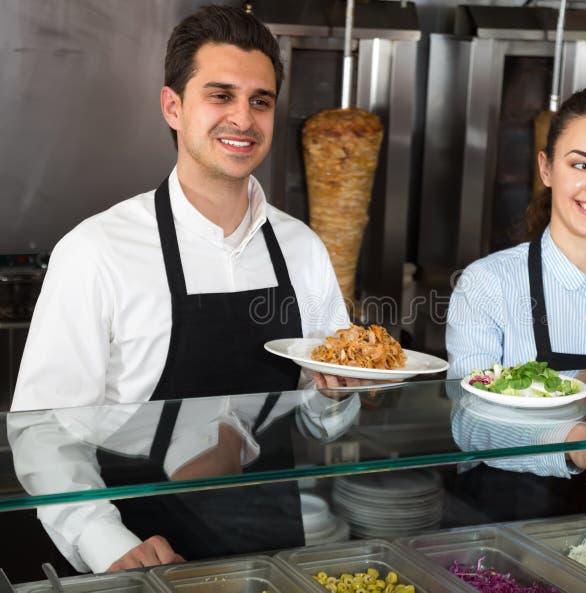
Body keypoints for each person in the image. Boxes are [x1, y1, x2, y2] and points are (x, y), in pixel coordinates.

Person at [8, 5, 366, 574]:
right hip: (142, 550)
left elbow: (319, 417)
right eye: (220, 95)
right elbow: (44, 429)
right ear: (173, 106)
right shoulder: (97, 250)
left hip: (273, 553)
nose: (243, 120)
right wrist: (105, 542)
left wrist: (337, 395)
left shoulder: (303, 249)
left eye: (260, 101)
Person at [446, 85, 586, 511]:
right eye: (581, 164)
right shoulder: (488, 283)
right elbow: (469, 422)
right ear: (547, 168)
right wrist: (574, 439)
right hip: (501, 517)